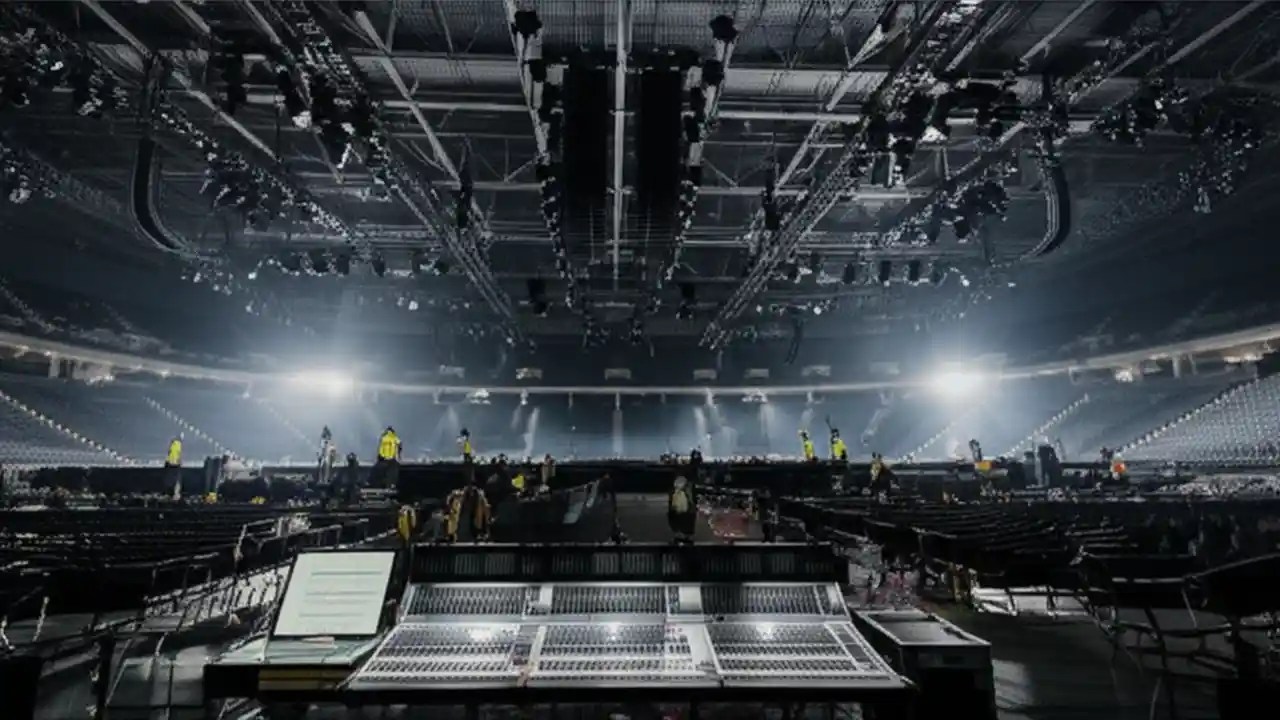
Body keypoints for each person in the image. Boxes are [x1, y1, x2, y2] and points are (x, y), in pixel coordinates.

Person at [668, 475, 696, 542]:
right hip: (681, 511)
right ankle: (682, 534)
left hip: (684, 512)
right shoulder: (678, 493)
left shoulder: (682, 493)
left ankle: (684, 534)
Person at [165, 433, 183, 498]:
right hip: (174, 464)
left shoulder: (175, 444)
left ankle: (173, 494)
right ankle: (174, 494)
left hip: (172, 464)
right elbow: (177, 453)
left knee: (173, 480)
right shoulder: (177, 444)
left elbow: (171, 453)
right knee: (175, 480)